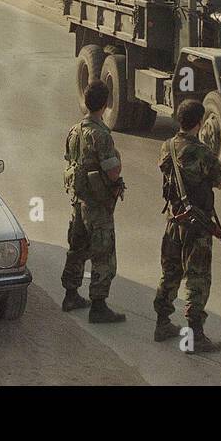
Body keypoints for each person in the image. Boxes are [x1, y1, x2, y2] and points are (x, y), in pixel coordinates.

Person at [153, 99, 221, 353]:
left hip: (174, 221)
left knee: (170, 271)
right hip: (196, 225)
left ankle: (162, 323)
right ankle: (195, 336)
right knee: (197, 278)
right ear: (199, 123)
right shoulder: (203, 152)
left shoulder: (167, 146)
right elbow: (220, 181)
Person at [59, 80, 127, 324]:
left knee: (76, 249)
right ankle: (98, 306)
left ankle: (71, 295)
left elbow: (70, 159)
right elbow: (112, 172)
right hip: (97, 205)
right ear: (105, 103)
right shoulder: (101, 134)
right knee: (103, 254)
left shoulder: (75, 130)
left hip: (78, 201)